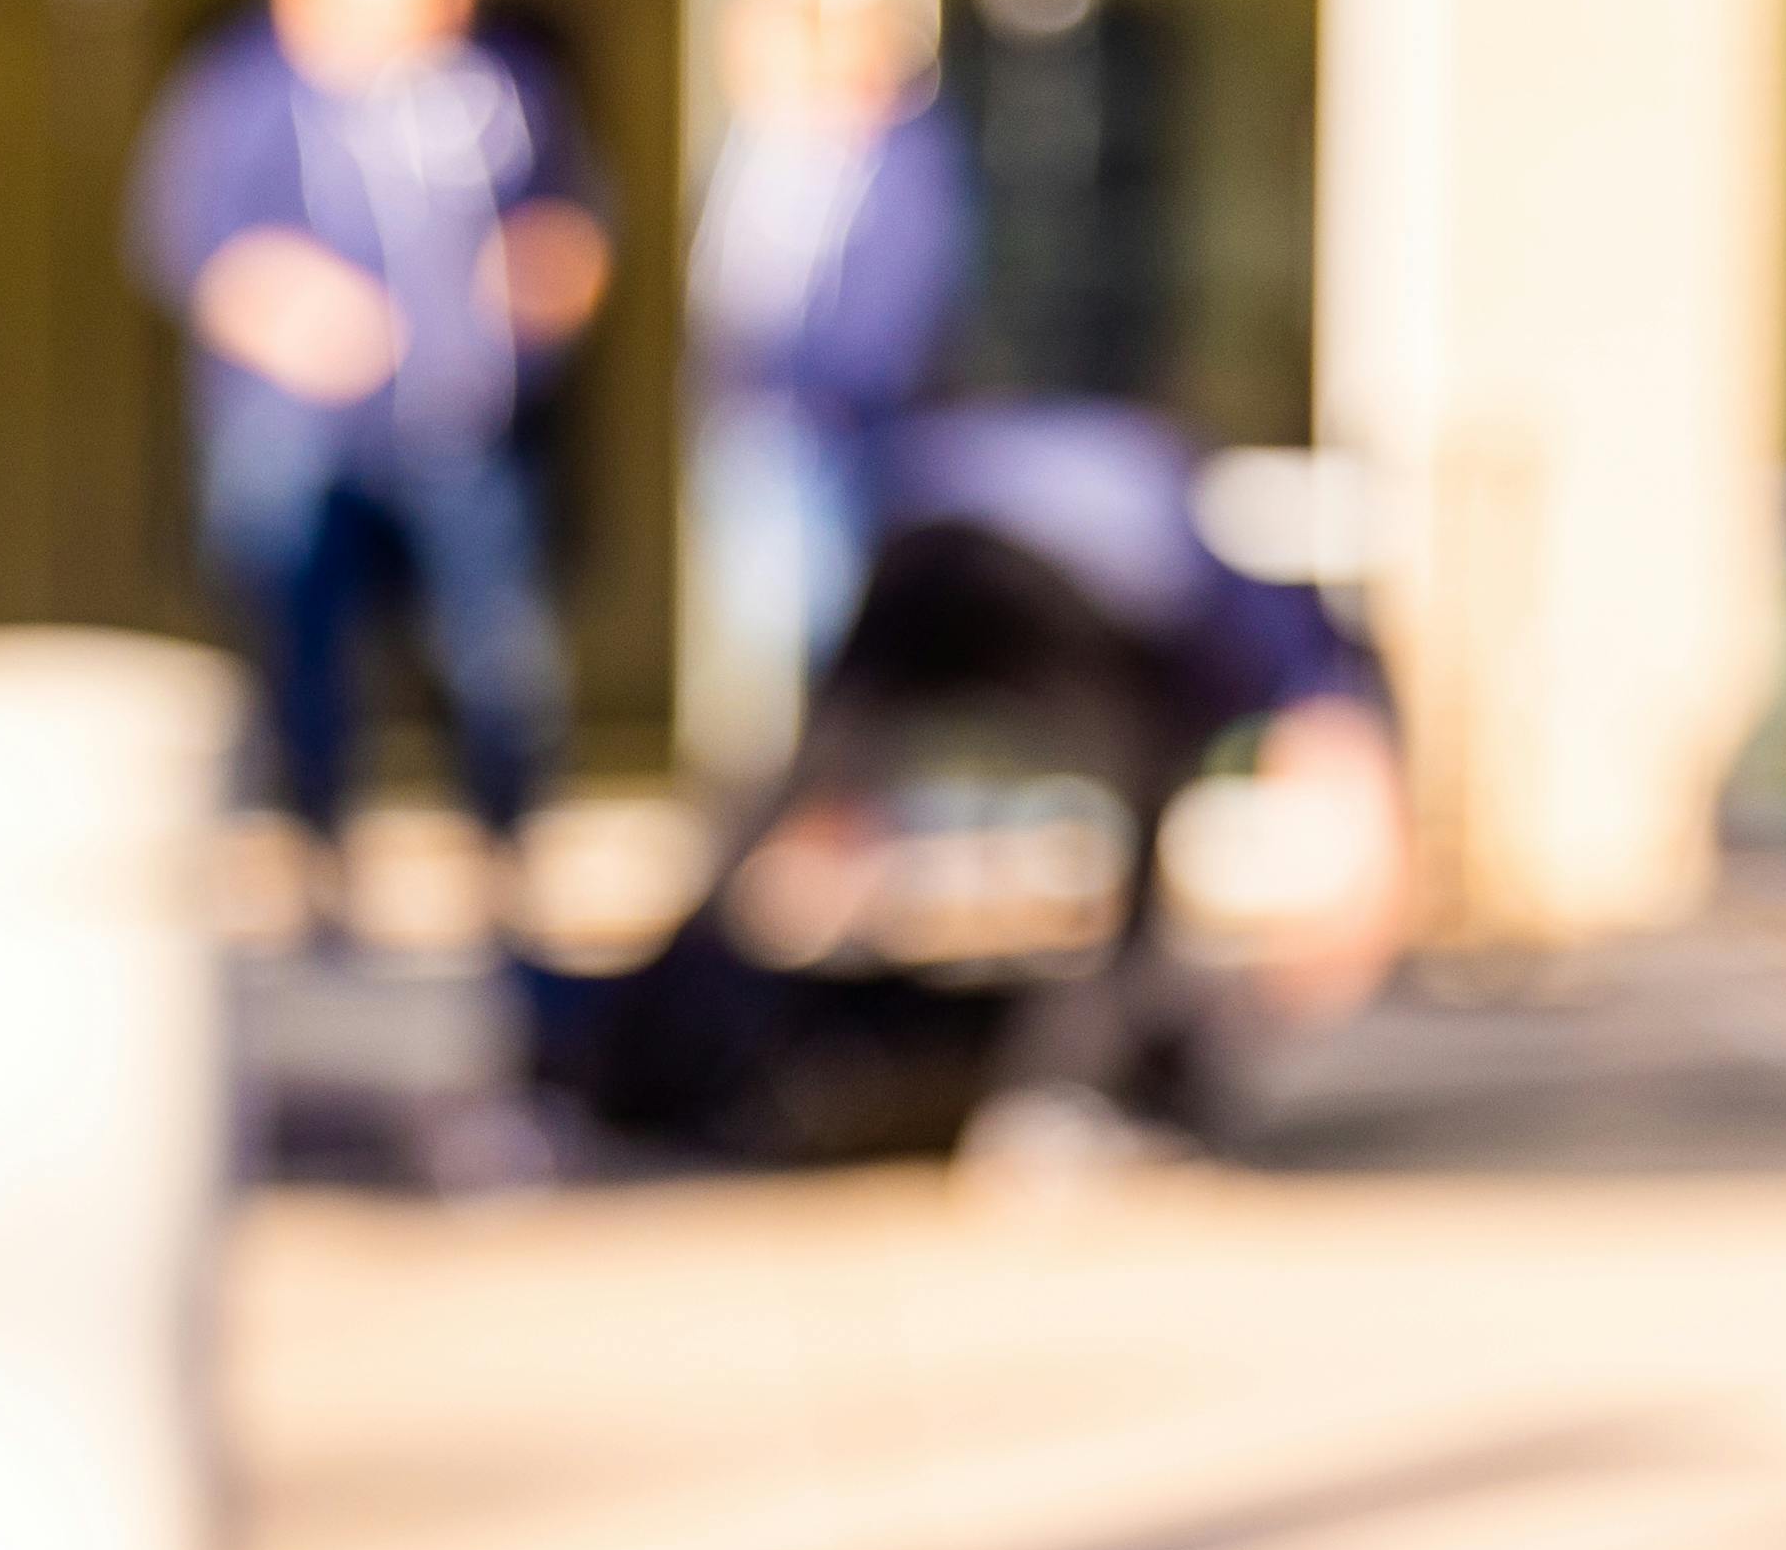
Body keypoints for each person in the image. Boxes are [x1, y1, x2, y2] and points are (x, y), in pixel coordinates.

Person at [560, 394, 1408, 1168]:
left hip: (920, 551)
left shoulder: (1123, 473)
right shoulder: (1271, 626)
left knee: (796, 792)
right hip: (1041, 581)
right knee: (1137, 817)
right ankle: (1076, 1089)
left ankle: (632, 1066)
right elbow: (1338, 759)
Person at [127, 0, 608, 906]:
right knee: (308, 646)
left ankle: (508, 845)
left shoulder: (504, 85)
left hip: (468, 417)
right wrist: (287, 309)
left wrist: (548, 279)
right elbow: (186, 245)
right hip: (302, 435)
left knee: (496, 651)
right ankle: (319, 856)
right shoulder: (245, 91)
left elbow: (576, 224)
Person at [686, 0, 974, 711]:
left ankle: (836, 787)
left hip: (841, 417)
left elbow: (901, 297)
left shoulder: (902, 153)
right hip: (756, 411)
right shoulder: (761, 144)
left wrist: (824, 385)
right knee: (771, 618)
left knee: (828, 617)